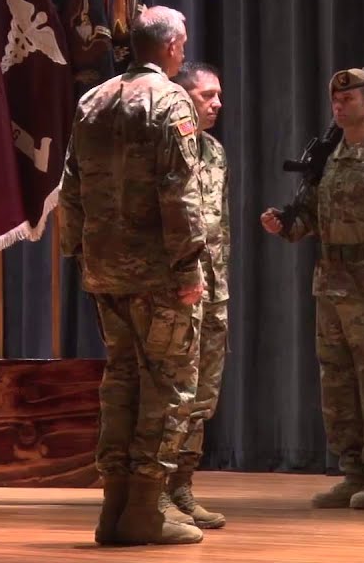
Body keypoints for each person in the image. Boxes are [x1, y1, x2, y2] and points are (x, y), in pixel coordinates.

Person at [59, 5, 206, 546]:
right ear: (167, 48)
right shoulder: (171, 102)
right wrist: (189, 265)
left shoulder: (91, 101)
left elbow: (70, 188)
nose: (185, 51)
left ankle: (113, 507)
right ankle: (145, 508)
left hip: (106, 271)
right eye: (182, 42)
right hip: (159, 274)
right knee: (168, 385)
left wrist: (80, 252)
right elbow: (180, 190)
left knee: (120, 380)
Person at [260, 68, 364, 509]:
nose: (340, 105)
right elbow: (313, 218)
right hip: (331, 286)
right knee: (335, 384)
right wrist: (286, 225)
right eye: (336, 100)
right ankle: (351, 471)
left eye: (349, 99)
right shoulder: (328, 158)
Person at [167, 62, 230, 530]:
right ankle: (156, 491)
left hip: (213, 289)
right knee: (173, 392)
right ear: (182, 97)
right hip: (176, 292)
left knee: (204, 394)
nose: (216, 104)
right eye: (207, 95)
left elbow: (219, 228)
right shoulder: (165, 148)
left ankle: (183, 488)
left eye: (218, 95)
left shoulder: (215, 152)